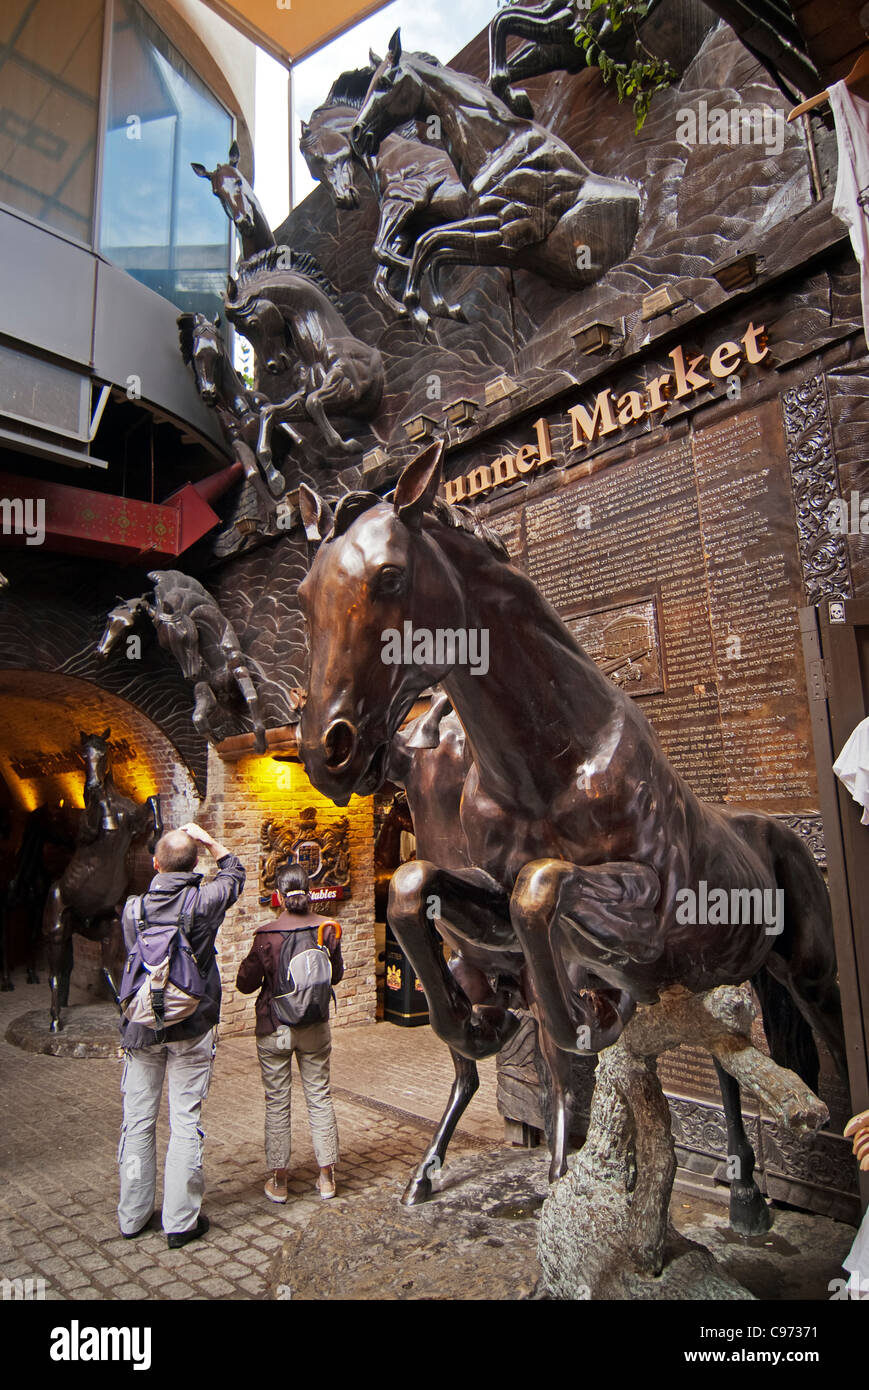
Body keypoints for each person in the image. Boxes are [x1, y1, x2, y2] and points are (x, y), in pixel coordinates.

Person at [116, 822, 245, 1248]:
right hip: (191, 1026)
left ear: (155, 864)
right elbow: (235, 873)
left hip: (141, 1030)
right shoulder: (204, 901)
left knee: (137, 1123)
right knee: (185, 1121)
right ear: (194, 865)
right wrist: (210, 842)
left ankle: (133, 1215)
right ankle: (180, 1221)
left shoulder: (133, 909)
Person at [236, 863, 343, 1203]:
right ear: (309, 893)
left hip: (275, 1028)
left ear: (278, 896)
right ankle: (326, 1178)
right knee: (320, 1097)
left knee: (277, 1103)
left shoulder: (267, 936)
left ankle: (279, 1182)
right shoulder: (326, 929)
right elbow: (336, 976)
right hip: (315, 1026)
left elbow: (244, 983)